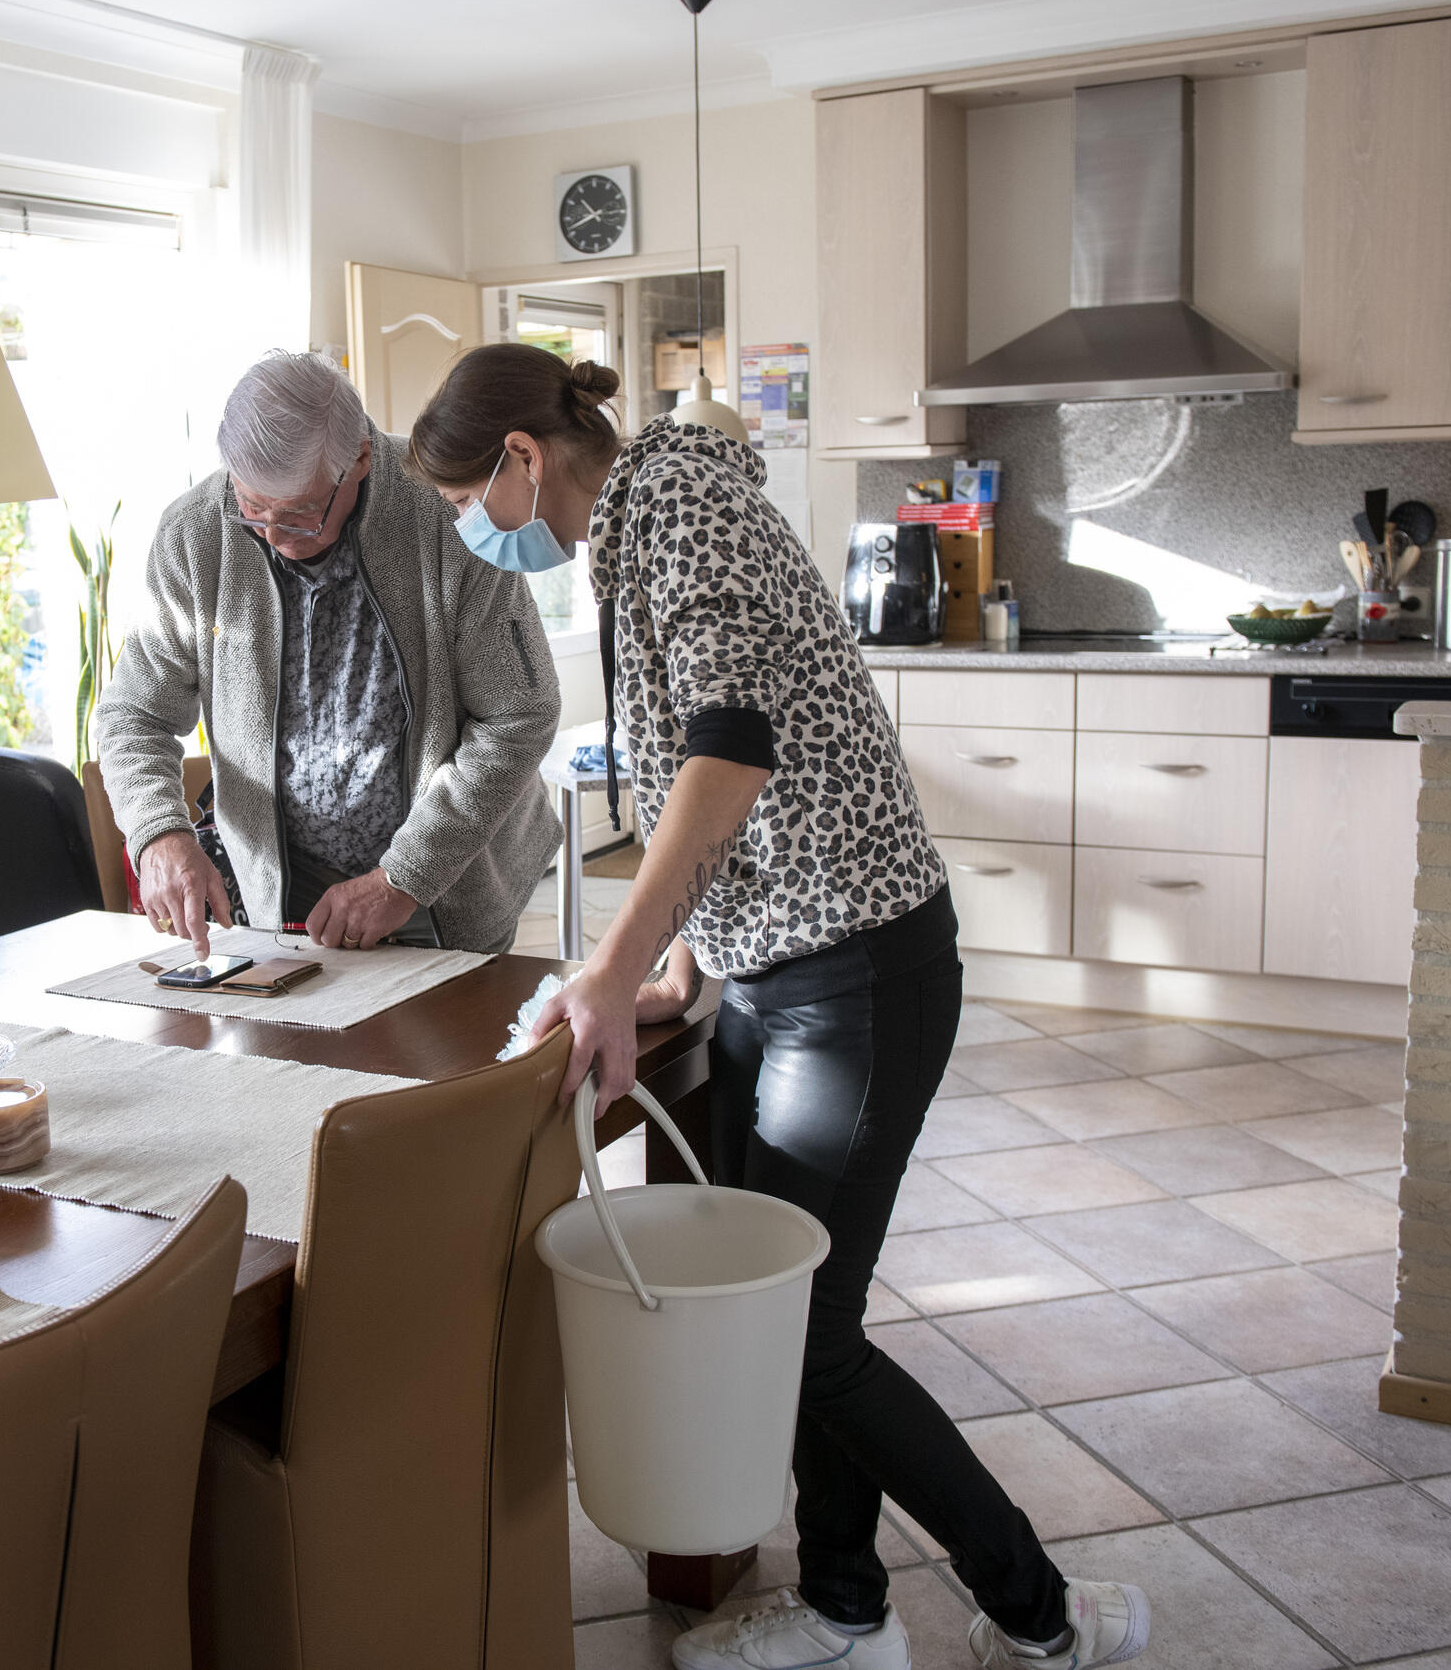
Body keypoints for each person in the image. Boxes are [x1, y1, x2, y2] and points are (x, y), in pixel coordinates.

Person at [404, 345, 1149, 1670]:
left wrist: (616, 969)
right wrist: (691, 956)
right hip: (780, 965)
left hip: (856, 972)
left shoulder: (682, 500)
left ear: (520, 458)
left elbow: (730, 747)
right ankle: (850, 1611)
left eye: (468, 496)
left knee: (804, 1331)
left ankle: (1043, 1611)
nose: (473, 530)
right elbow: (710, 773)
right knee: (787, 1320)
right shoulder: (634, 530)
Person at [93, 351, 562, 956]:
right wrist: (159, 833)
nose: (276, 537)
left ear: (361, 456)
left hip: (443, 883)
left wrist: (404, 877)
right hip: (279, 889)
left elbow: (520, 715)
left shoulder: (450, 513)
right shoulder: (195, 534)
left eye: (301, 514)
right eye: (253, 511)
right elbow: (134, 716)